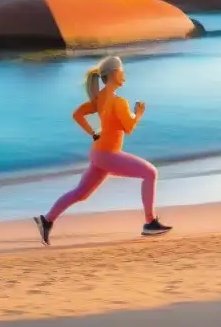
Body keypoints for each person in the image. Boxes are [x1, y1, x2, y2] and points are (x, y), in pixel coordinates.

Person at [34, 55, 171, 244]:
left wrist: (92, 133)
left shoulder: (100, 98)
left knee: (81, 193)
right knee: (150, 173)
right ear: (114, 74)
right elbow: (128, 127)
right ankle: (150, 222)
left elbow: (77, 114)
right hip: (108, 155)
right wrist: (138, 114)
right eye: (122, 71)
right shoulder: (118, 101)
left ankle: (47, 220)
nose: (124, 75)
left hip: (98, 153)